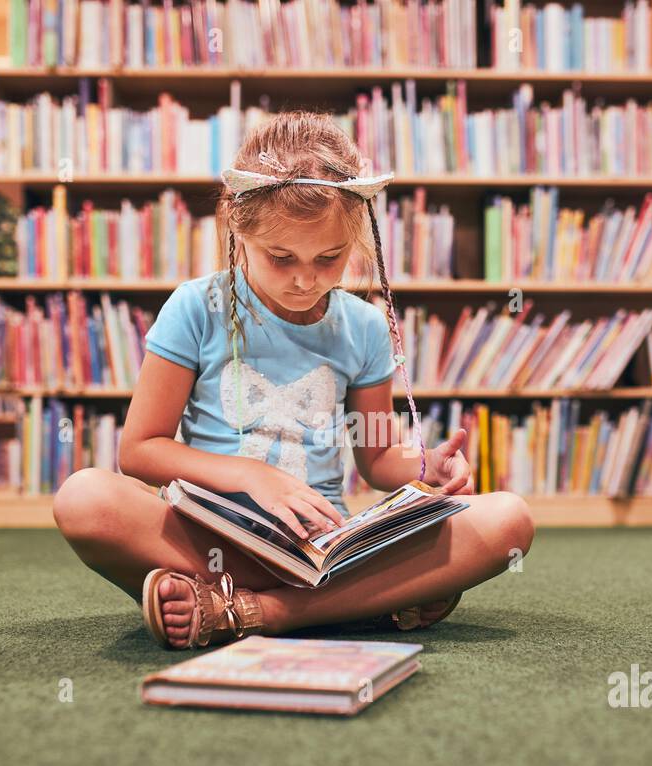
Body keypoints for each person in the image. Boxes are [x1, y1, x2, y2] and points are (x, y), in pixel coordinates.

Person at [52, 111, 535, 649]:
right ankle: (354, 606)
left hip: (325, 549)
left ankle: (254, 609)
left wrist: (426, 465)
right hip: (214, 537)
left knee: (507, 520)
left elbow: (375, 461)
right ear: (240, 228)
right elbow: (140, 451)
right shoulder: (196, 307)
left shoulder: (365, 328)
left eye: (330, 258)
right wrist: (252, 476)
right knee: (85, 498)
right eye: (280, 258)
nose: (305, 279)